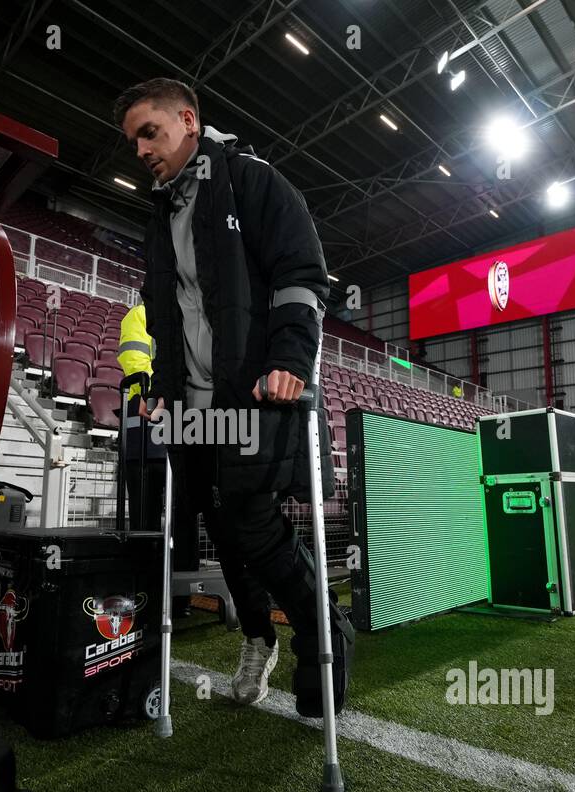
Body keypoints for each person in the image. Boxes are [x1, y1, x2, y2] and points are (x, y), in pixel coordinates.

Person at [114, 77, 353, 716]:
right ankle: (257, 636)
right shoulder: (161, 211)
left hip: (250, 394)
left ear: (188, 121)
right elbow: (163, 313)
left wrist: (289, 360)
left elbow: (302, 275)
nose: (140, 149)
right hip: (192, 404)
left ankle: (322, 633)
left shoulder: (254, 182)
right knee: (218, 522)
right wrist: (163, 388)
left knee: (253, 522)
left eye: (150, 132)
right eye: (132, 140)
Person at [117, 298, 195, 618]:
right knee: (145, 512)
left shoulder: (188, 321)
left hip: (183, 425)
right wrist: (160, 392)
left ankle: (182, 593)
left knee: (185, 512)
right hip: (146, 425)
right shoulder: (140, 314)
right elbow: (135, 360)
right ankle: (146, 591)